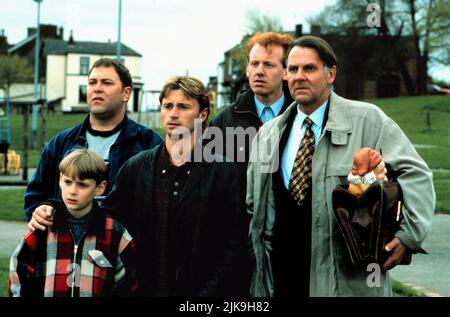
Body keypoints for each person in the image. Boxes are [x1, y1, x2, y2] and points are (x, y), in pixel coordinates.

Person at [247, 35, 435, 297]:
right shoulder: (268, 135)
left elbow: (417, 175)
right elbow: (254, 207)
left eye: (309, 68)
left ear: (331, 74)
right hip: (281, 279)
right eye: (293, 69)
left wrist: (408, 236)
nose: (299, 76)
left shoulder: (368, 120)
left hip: (346, 282)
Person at [30, 76, 248, 297]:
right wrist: (52, 206)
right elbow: (104, 219)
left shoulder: (224, 171)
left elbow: (234, 242)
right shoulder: (136, 168)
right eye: (167, 106)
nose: (173, 113)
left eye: (183, 106)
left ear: (202, 115)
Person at [24, 57, 163, 222]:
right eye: (92, 82)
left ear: (126, 93)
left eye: (106, 83)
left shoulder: (149, 144)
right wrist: (41, 212)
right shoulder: (61, 144)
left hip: (127, 245)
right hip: (69, 245)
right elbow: (35, 198)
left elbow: (162, 204)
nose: (97, 88)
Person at [9, 149, 137, 297]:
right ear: (60, 180)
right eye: (68, 182)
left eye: (82, 185)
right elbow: (17, 274)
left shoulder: (115, 232)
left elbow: (129, 283)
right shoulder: (42, 227)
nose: (72, 191)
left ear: (100, 188)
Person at [209, 31, 293, 179]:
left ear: (286, 72)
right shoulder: (225, 120)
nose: (259, 71)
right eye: (254, 64)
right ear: (248, 69)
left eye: (268, 64)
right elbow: (208, 176)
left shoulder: (299, 117)